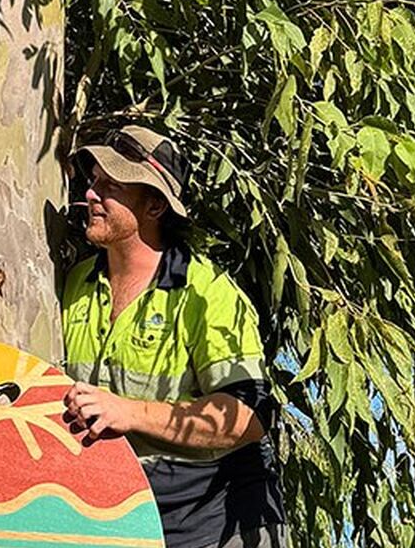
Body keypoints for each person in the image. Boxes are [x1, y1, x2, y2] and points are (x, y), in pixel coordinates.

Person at [60, 126, 284, 548]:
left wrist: (129, 412)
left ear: (155, 206)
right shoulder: (73, 285)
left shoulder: (209, 293)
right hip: (122, 518)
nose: (90, 194)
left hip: (221, 525)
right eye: (94, 182)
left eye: (110, 187)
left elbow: (245, 419)